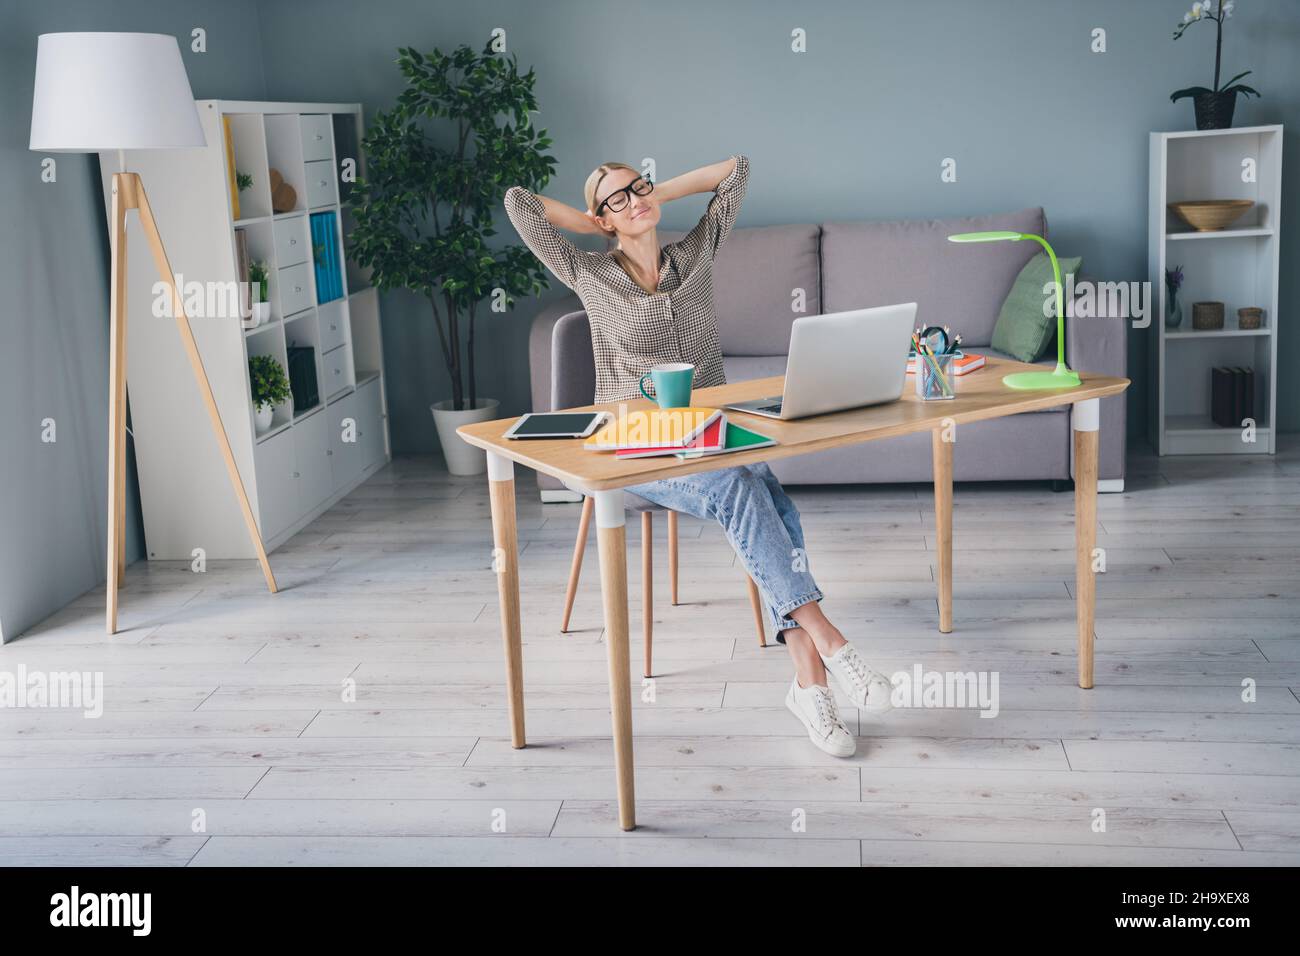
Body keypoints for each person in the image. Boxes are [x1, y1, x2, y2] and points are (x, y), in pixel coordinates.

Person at [503, 155, 893, 756]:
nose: (634, 199)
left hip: (709, 436)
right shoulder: (588, 272)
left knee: (767, 494)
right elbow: (518, 202)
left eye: (639, 187)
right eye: (619, 198)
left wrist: (649, 195)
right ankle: (831, 641)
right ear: (602, 219)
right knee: (742, 487)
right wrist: (595, 219)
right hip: (633, 453)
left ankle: (810, 683)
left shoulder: (695, 254)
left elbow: (736, 171)